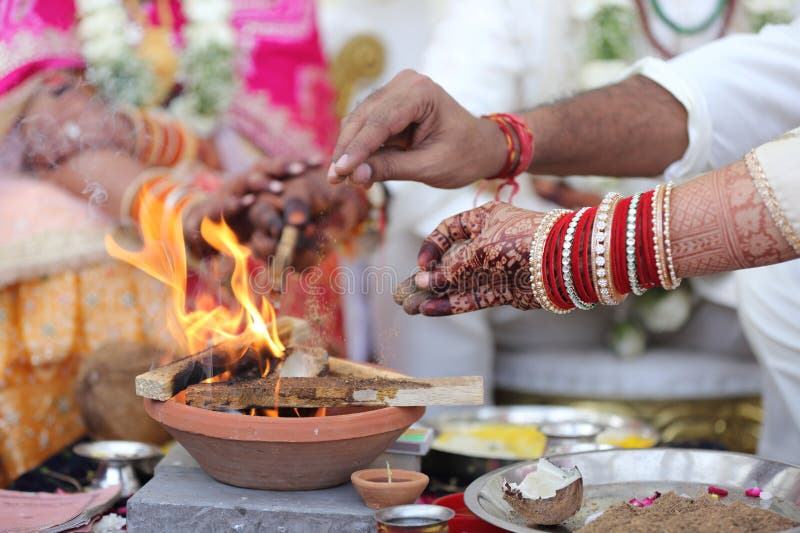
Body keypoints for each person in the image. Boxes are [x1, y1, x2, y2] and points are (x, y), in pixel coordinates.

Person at [326, 19, 800, 462]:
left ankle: (783, 493)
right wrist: (497, 141)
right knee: (430, 244)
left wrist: (571, 247)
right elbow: (724, 94)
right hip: (566, 278)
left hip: (729, 288)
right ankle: (434, 475)